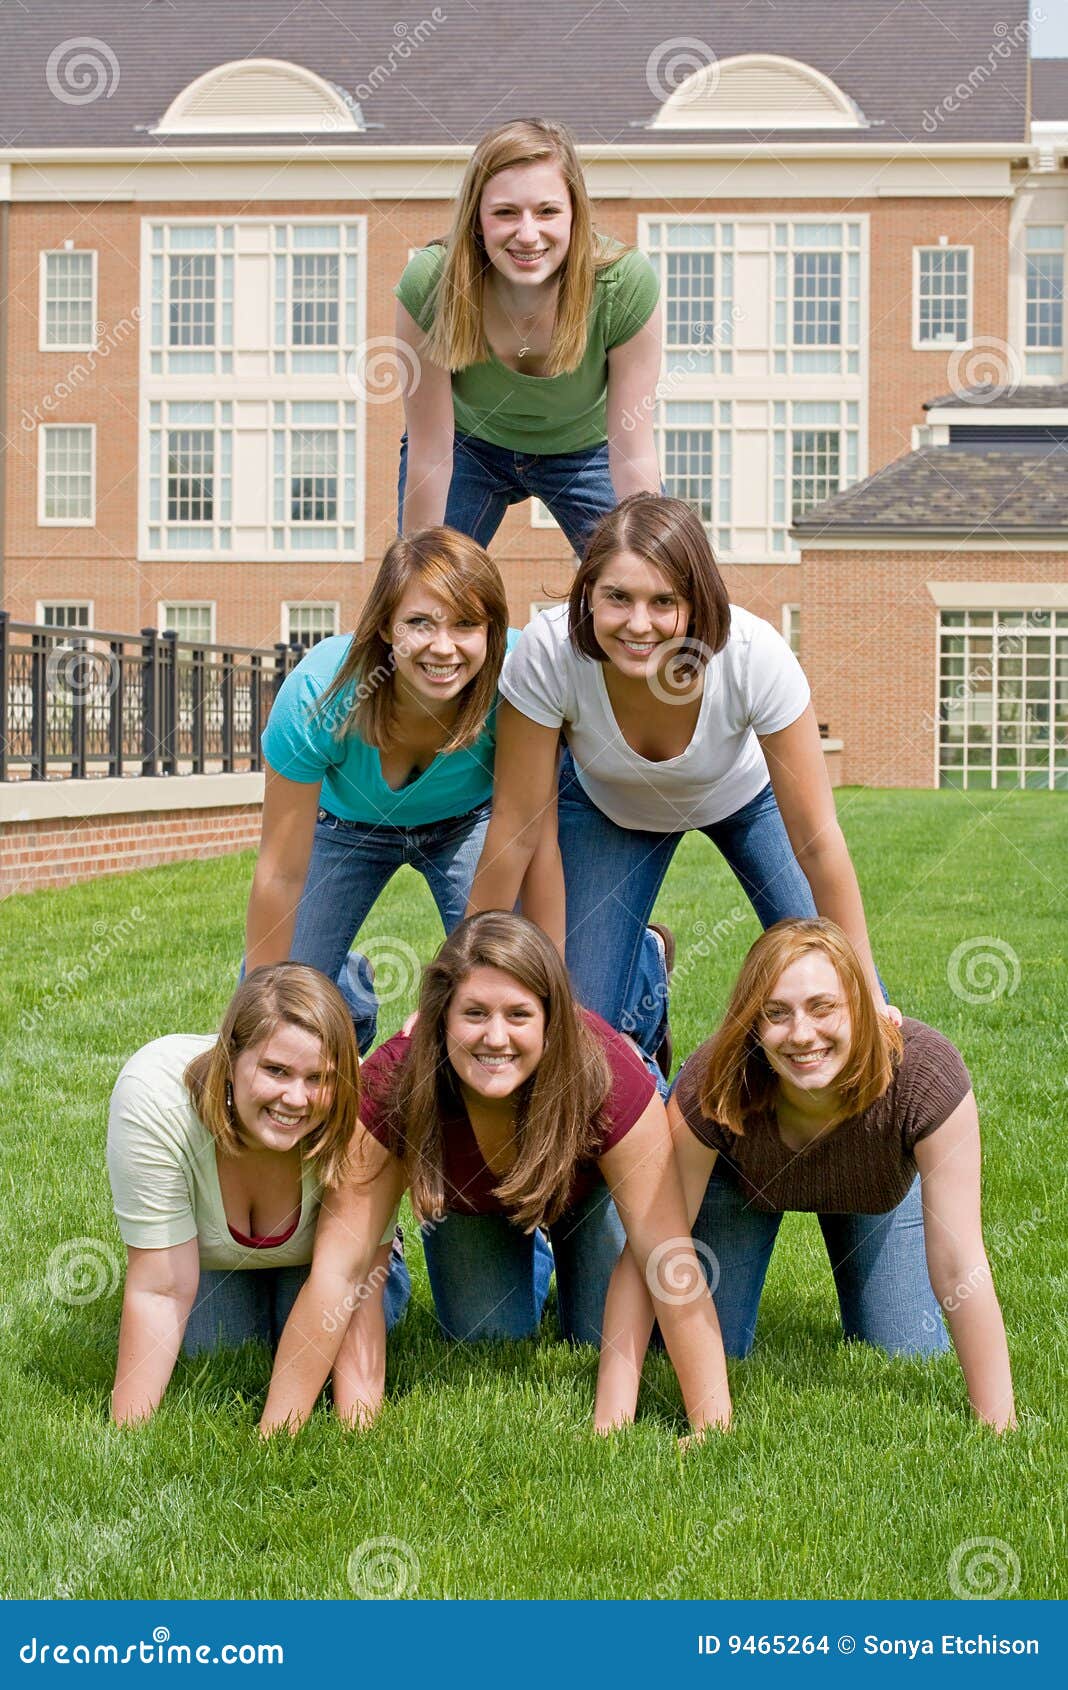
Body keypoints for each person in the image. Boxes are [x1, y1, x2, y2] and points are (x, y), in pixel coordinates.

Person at [259, 913, 732, 1437]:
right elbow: (340, 1274)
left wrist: (708, 1428)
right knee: (484, 1336)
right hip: (472, 1200)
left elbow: (666, 1254)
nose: (496, 1037)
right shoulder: (394, 1082)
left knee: (597, 1334)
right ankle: (535, 1253)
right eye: (475, 1013)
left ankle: (644, 973)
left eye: (519, 1014)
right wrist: (281, 1434)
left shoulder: (607, 1075)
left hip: (590, 1191)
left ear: (552, 1020)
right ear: (441, 1017)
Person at [468, 493, 895, 1056]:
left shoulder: (753, 655)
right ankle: (641, 964)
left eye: (663, 601)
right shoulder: (549, 652)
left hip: (743, 799)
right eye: (617, 597)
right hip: (609, 806)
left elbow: (818, 843)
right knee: (575, 1030)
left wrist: (863, 984)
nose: (638, 624)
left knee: (837, 987)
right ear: (587, 592)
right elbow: (517, 828)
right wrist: (465, 973)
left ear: (696, 603)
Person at [595, 919, 1017, 1434]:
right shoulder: (714, 1083)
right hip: (741, 1185)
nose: (801, 1034)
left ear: (861, 1007)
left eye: (823, 1007)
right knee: (707, 1347)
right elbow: (655, 1251)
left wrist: (1000, 1427)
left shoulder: (925, 1075)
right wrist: (608, 1425)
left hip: (874, 1191)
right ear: (753, 1024)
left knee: (908, 1349)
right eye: (776, 1014)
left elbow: (959, 1263)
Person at [246, 525, 559, 1053]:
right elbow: (280, 869)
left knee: (511, 975)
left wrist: (450, 995)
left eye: (466, 624)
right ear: (386, 627)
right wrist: (255, 1014)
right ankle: (343, 989)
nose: (443, 647)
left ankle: (636, 957)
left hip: (471, 822)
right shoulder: (320, 693)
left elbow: (521, 833)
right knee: (283, 999)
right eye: (419, 623)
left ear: (493, 630)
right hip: (344, 827)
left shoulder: (519, 674)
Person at [107, 964, 410, 1426]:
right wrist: (124, 1437)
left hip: (327, 1266)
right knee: (219, 1349)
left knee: (325, 1333)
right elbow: (161, 1289)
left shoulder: (360, 1117)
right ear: (229, 1059)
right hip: (214, 1260)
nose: (295, 1098)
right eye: (276, 1070)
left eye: (318, 1078)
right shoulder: (154, 1097)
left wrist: (359, 1436)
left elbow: (353, 1284)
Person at [394, 118, 662, 552]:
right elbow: (430, 450)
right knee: (427, 589)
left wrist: (648, 565)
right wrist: (421, 580)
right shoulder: (430, 283)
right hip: (466, 446)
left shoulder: (624, 283)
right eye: (504, 212)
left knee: (645, 576)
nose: (527, 234)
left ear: (576, 215)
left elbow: (632, 450)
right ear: (477, 221)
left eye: (547, 211)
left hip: (588, 451)